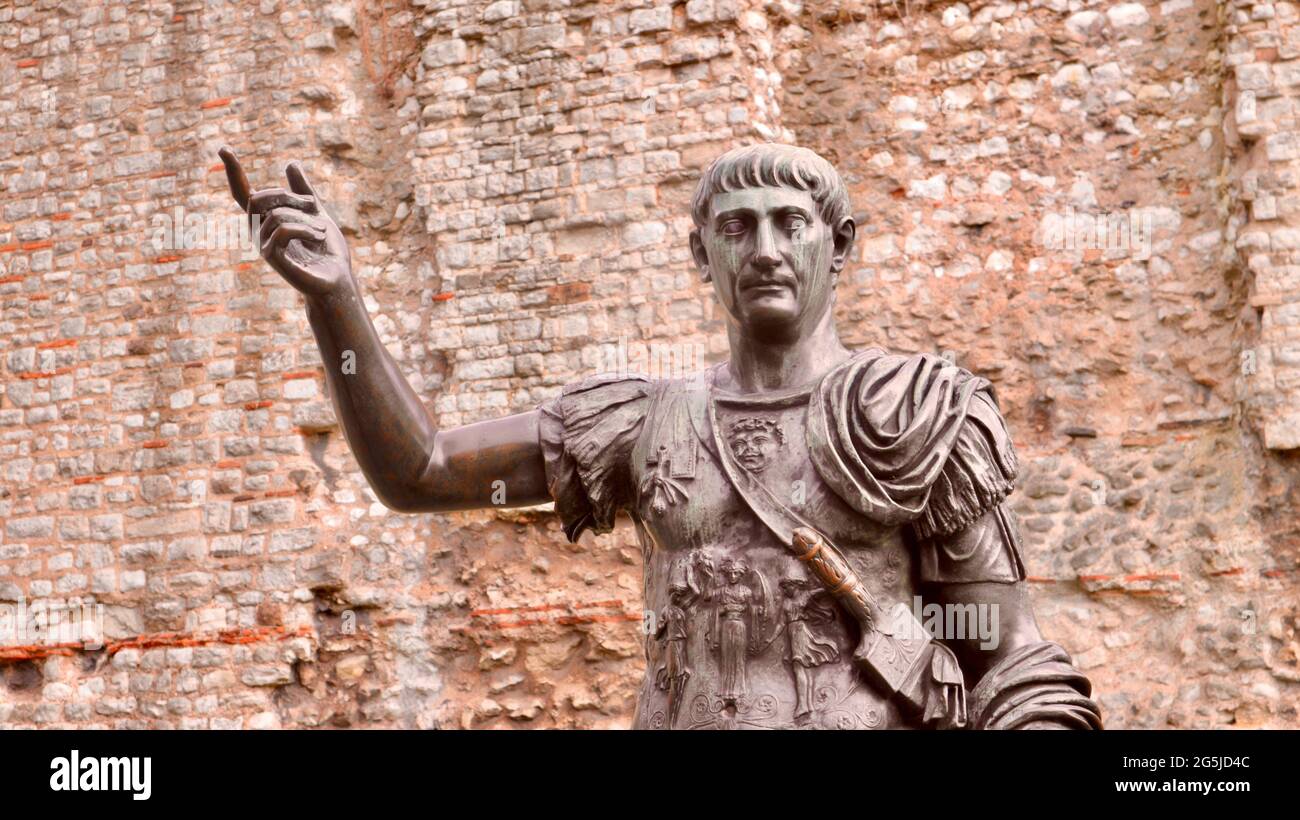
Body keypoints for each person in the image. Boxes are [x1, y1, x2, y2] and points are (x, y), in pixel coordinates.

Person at [220, 143, 1101, 730]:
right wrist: (334, 300)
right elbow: (423, 470)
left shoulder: (913, 411)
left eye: (790, 224)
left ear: (839, 246)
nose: (764, 249)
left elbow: (1008, 653)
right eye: (735, 226)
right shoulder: (638, 422)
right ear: (699, 254)